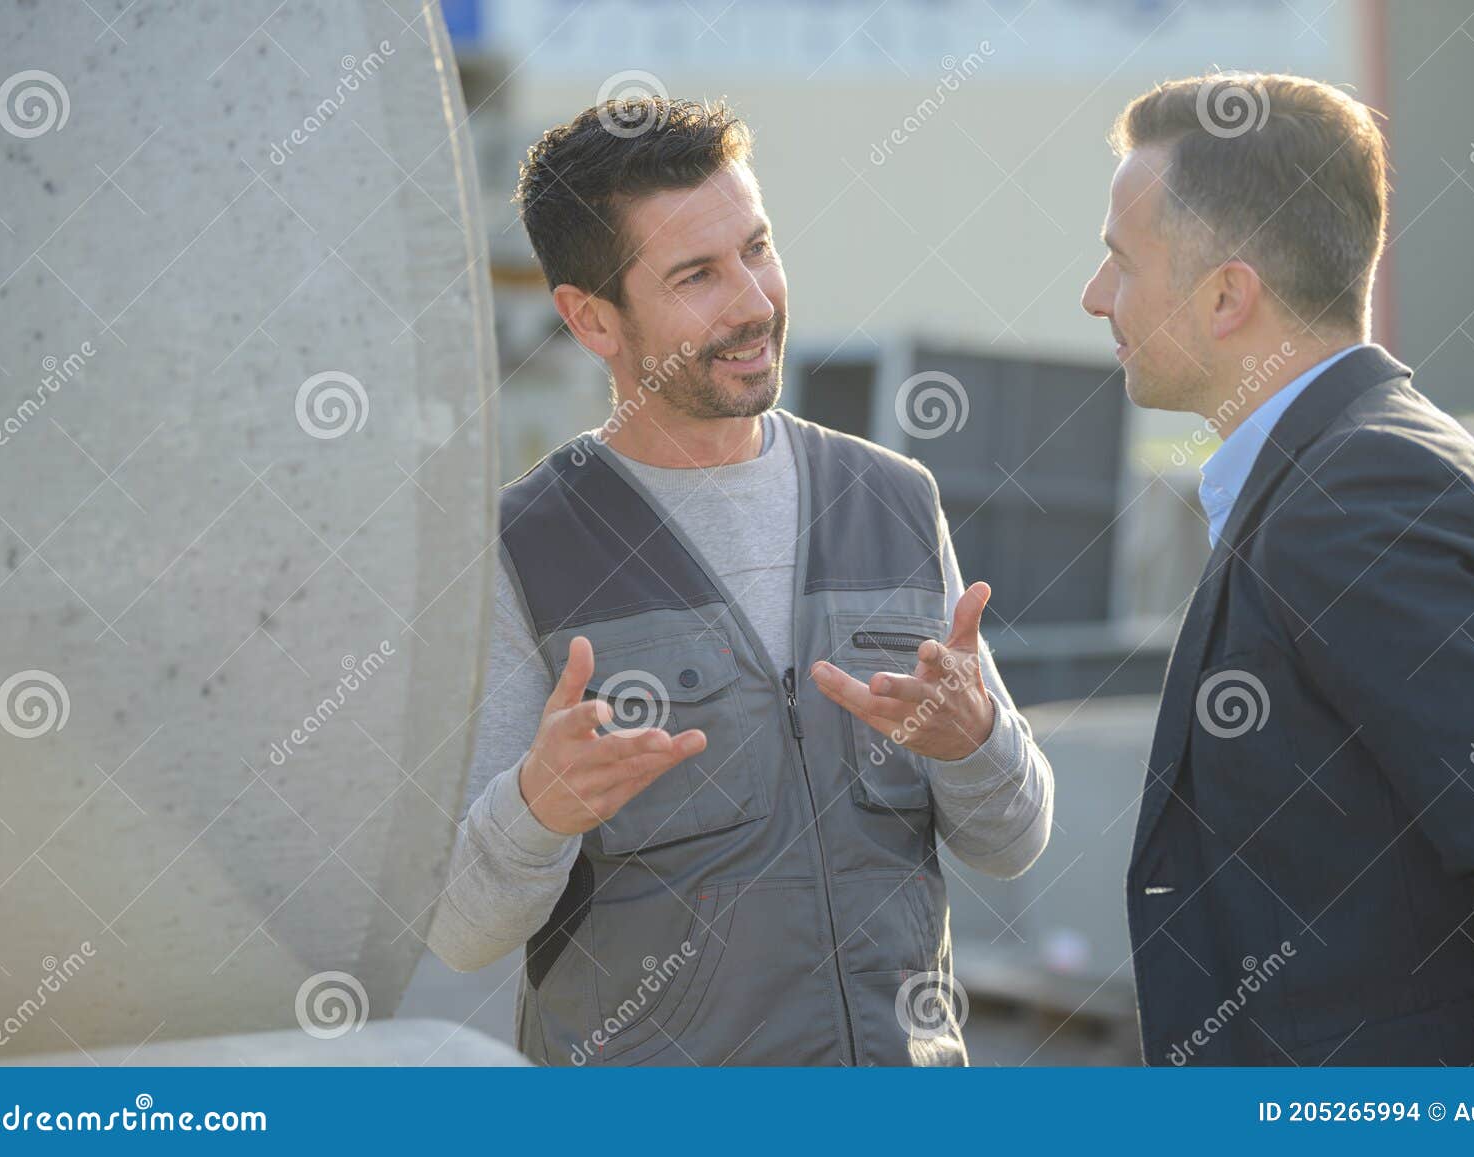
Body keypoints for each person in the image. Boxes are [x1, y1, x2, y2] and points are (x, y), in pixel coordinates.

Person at [426, 97, 1053, 1066]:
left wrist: (977, 740)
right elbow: (457, 927)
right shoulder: (523, 549)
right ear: (592, 318)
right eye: (697, 275)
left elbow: (1012, 840)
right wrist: (539, 805)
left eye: (757, 249)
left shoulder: (894, 501)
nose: (754, 301)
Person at [1082, 72, 1474, 1064]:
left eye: (1119, 263)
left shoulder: (1356, 493)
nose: (1095, 296)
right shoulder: (1337, 467)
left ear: (1227, 295)